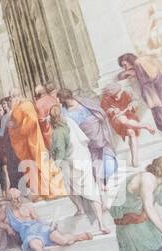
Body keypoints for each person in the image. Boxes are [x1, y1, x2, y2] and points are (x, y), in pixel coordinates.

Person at [0, 188, 95, 251]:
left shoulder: (27, 206)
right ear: (9, 200)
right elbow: (0, 222)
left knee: (64, 241)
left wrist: (49, 224)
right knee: (37, 250)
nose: (18, 201)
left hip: (41, 228)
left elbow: (38, 219)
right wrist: (7, 227)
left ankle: (78, 236)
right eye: (15, 199)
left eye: (19, 198)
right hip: (30, 235)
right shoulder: (6, 209)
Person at [111, 156, 162, 251]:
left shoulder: (160, 182)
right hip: (131, 223)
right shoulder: (147, 179)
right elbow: (148, 206)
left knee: (161, 249)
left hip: (143, 220)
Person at [48, 105, 110, 233]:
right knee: (91, 190)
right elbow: (83, 139)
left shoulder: (58, 132)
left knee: (69, 187)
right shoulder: (70, 122)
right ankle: (101, 224)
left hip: (70, 164)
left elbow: (60, 150)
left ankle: (80, 208)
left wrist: (56, 163)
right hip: (83, 158)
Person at [8, 89, 63, 199]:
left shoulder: (26, 105)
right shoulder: (18, 107)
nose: (11, 99)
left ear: (18, 95)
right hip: (26, 143)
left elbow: (32, 122)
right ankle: (40, 192)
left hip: (34, 140)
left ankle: (53, 191)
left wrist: (19, 129)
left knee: (40, 164)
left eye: (12, 96)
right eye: (11, 97)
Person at [99, 81, 154, 167]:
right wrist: (112, 110)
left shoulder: (126, 92)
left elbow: (135, 101)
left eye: (118, 93)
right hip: (116, 119)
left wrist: (132, 105)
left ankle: (134, 158)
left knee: (131, 132)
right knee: (122, 120)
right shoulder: (105, 98)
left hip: (129, 115)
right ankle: (145, 126)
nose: (117, 97)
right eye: (115, 95)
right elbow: (105, 109)